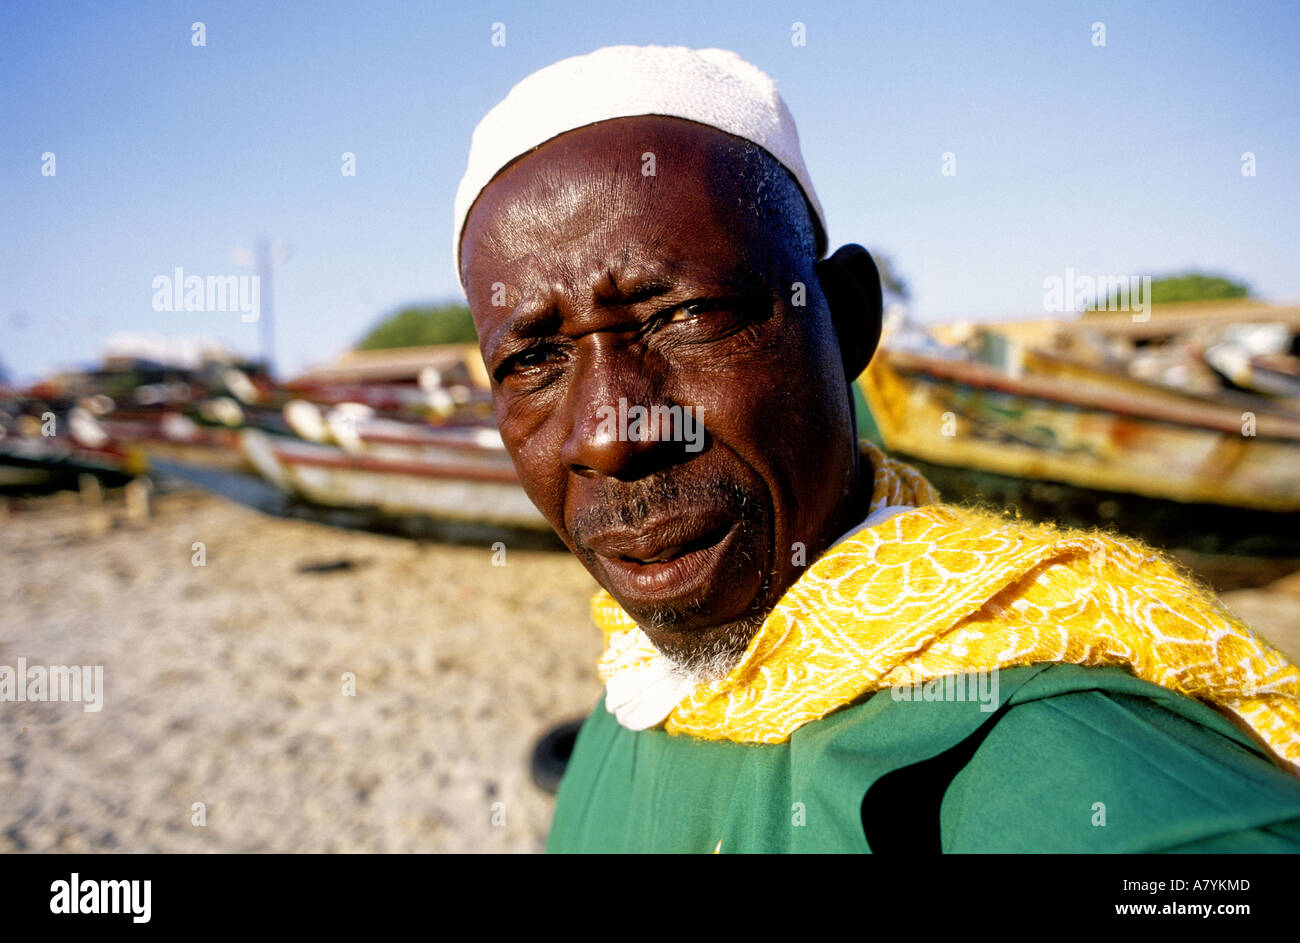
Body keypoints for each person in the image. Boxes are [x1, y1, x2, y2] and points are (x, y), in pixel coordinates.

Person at [453, 45, 1300, 852]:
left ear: (849, 318)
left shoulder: (1061, 742)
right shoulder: (629, 696)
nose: (609, 435)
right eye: (532, 361)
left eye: (686, 315)